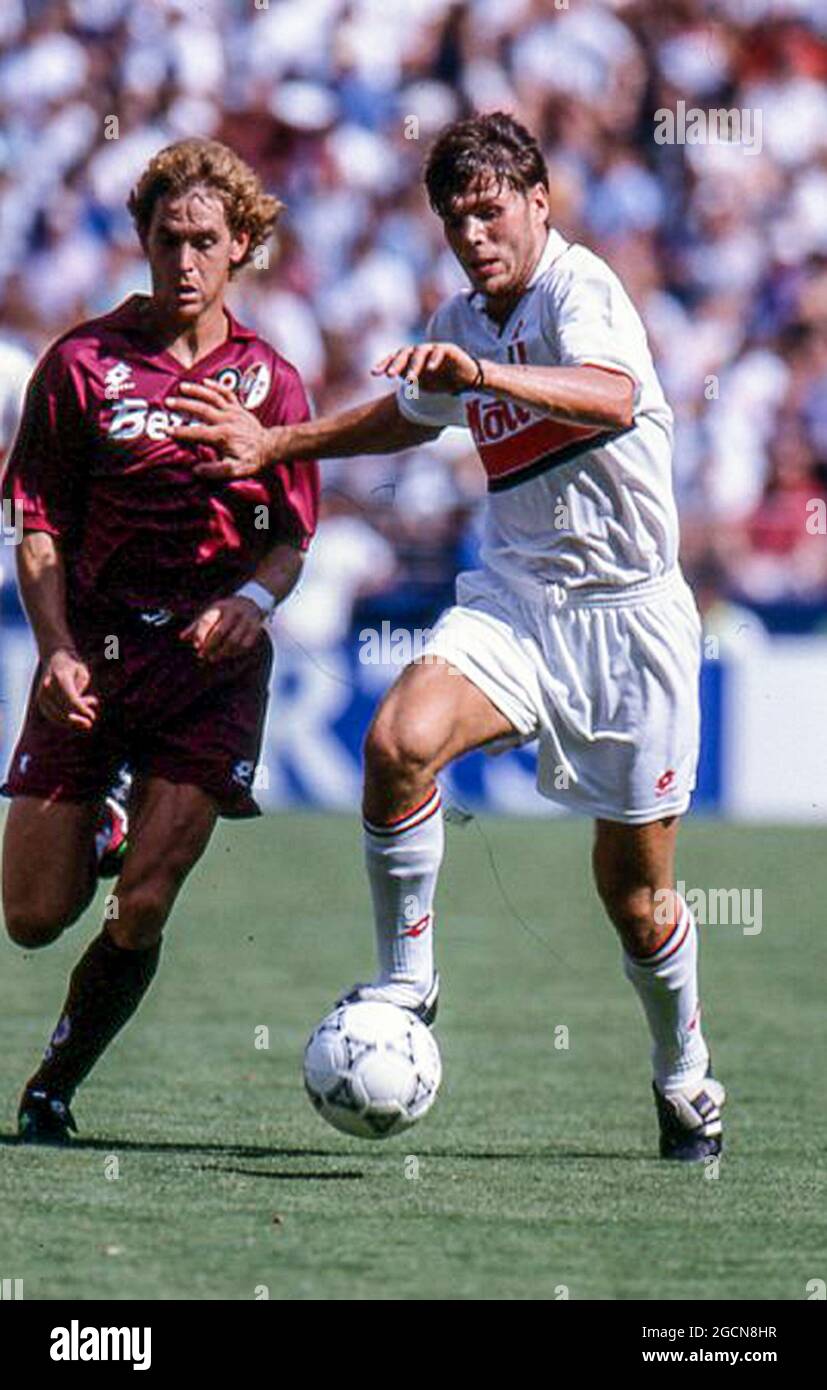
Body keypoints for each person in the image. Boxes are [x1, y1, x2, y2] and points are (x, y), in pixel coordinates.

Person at [169, 113, 724, 1162]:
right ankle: (405, 978)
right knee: (396, 742)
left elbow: (608, 396)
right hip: (516, 600)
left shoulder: (579, 289)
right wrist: (277, 441)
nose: (473, 233)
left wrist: (481, 379)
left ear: (536, 204)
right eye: (454, 216)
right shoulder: (456, 316)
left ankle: (684, 1077)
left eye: (490, 210)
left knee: (636, 900)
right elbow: (406, 413)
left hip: (630, 624)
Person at [2, 138, 319, 1143]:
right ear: (142, 238)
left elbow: (291, 540)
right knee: (31, 916)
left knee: (142, 905)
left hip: (207, 670)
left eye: (207, 242)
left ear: (242, 251)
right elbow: (37, 519)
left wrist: (254, 603)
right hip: (89, 656)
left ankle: (52, 1085)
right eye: (169, 238)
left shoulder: (271, 384)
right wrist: (52, 646)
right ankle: (101, 821)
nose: (186, 261)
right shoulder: (81, 364)